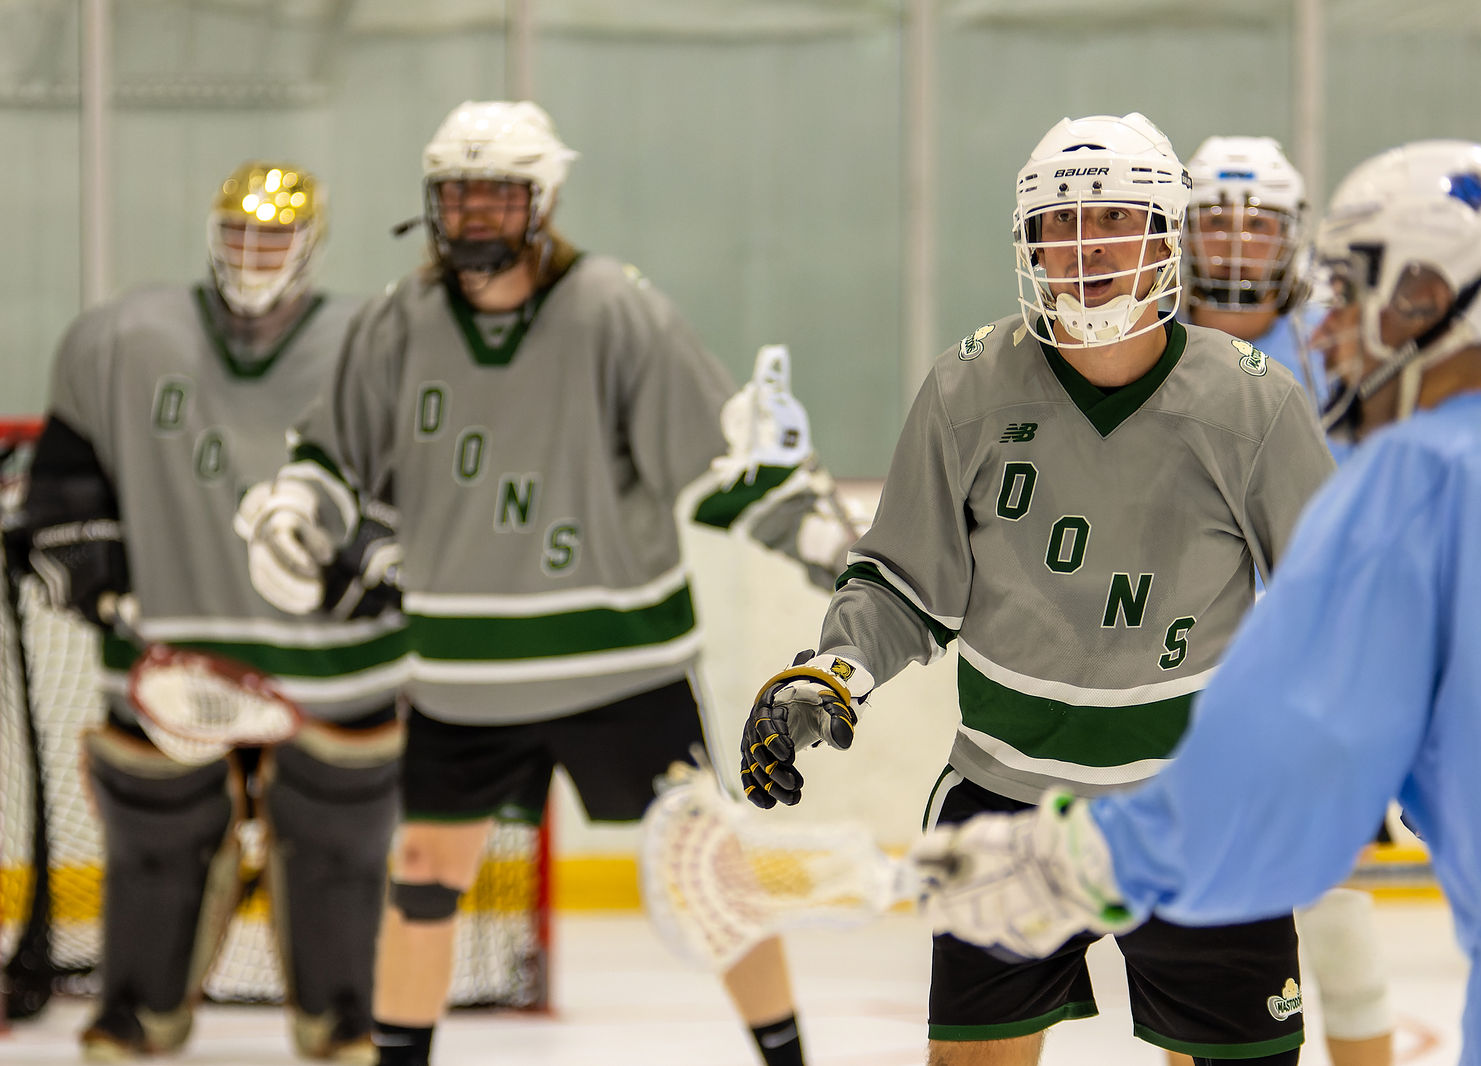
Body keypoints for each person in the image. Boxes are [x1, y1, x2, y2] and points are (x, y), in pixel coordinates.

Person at [915, 140, 1481, 1066]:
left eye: (1350, 291)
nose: (1320, 331)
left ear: (1431, 299)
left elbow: (1269, 751)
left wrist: (1071, 860)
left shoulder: (1408, 491)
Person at [235, 101, 857, 1066]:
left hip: (622, 670)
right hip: (460, 676)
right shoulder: (398, 323)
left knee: (708, 870)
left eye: (498, 191)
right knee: (424, 874)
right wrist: (293, 514)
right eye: (457, 192)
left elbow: (717, 458)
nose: (475, 212)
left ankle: (788, 1060)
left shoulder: (616, 309)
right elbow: (328, 452)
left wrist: (816, 533)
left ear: (544, 198)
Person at [739, 113, 1335, 1066]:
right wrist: (832, 672)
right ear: (1030, 245)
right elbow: (903, 582)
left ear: (1165, 234)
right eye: (1061, 225)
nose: (1085, 247)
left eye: (1113, 220)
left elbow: (1332, 608)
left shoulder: (1255, 404)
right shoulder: (965, 390)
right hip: (1005, 800)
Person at [20, 161, 407, 1061]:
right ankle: (137, 1010)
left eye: (273, 237)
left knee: (338, 844)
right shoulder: (120, 338)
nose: (253, 253)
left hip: (338, 655)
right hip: (169, 654)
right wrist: (93, 571)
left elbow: (416, 480)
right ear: (211, 233)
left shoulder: (375, 346)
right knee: (154, 840)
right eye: (239, 233)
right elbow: (69, 479)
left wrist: (372, 564)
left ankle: (340, 1016)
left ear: (310, 244)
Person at [1183, 135, 1394, 1066]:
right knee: (1195, 931)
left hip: (1309, 677)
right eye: (1215, 226)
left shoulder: (1335, 351)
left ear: (1293, 237)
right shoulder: (1146, 343)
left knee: (1336, 901)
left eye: (1257, 226)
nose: (1234, 249)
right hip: (1178, 672)